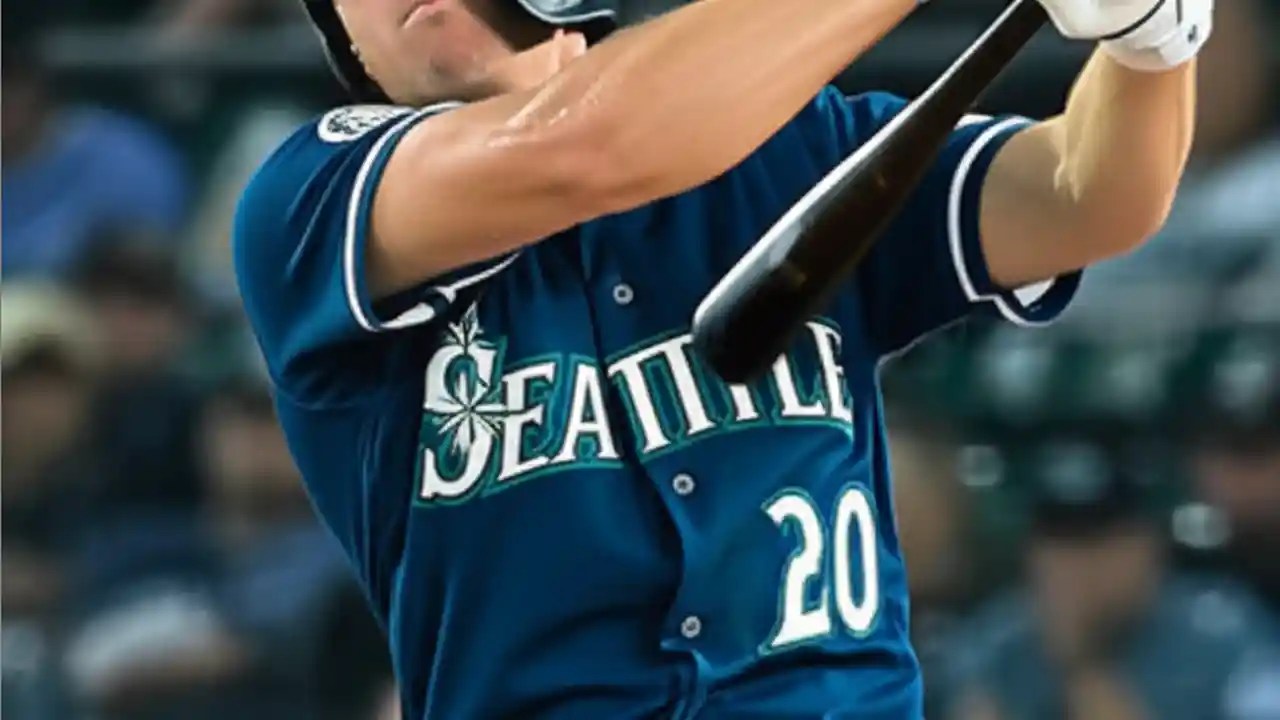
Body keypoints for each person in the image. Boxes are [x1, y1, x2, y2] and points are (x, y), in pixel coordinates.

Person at [233, 0, 1214, 716]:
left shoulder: (788, 143)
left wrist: (1151, 44)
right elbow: (589, 143)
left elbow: (1081, 196)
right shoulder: (312, 196)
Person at [950, 435, 1272, 720]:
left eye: (1099, 539)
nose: (1080, 565)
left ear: (1150, 546)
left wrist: (1082, 666)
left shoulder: (1225, 636)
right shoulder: (993, 646)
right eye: (1061, 541)